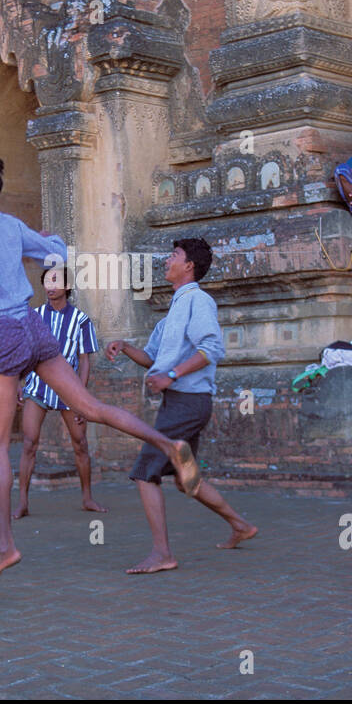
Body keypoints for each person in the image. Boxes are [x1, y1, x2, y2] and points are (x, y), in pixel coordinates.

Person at [0, 137, 200, 582]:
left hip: (0, 334)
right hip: (30, 323)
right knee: (91, 408)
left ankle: (4, 546)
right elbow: (55, 251)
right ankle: (168, 444)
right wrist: (41, 240)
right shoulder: (6, 223)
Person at [103, 238, 258, 575]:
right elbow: (153, 360)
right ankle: (240, 525)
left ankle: (162, 553)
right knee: (186, 479)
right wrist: (126, 347)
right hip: (181, 402)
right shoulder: (175, 307)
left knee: (145, 473)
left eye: (174, 255)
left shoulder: (198, 301)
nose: (167, 260)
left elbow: (211, 349)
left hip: (187, 403)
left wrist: (171, 375)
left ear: (189, 266)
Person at [14, 267, 107, 519]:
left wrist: (82, 398)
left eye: (56, 281)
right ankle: (22, 502)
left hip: (69, 390)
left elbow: (84, 360)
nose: (50, 285)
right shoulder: (33, 316)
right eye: (47, 280)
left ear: (67, 286)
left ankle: (87, 497)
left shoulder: (81, 320)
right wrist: (17, 383)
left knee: (80, 444)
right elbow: (24, 354)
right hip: (37, 387)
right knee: (29, 443)